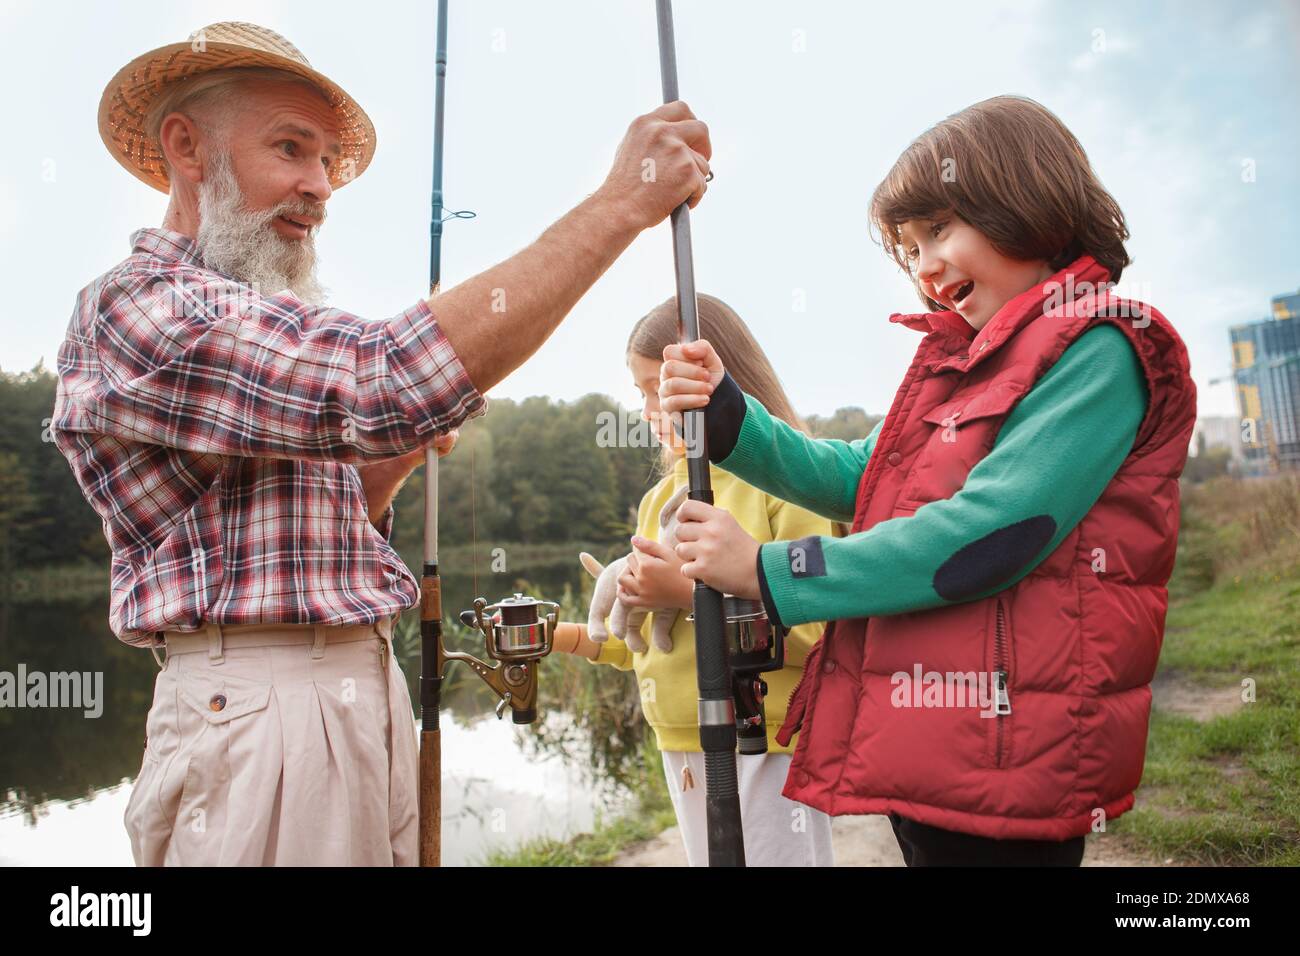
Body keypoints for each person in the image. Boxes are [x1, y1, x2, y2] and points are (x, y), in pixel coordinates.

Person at [53, 21, 711, 866]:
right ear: (186, 147)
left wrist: (395, 458)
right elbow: (386, 376)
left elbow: (325, 517)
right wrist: (622, 202)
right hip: (259, 717)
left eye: (325, 161)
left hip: (357, 698)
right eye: (290, 149)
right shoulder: (141, 307)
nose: (318, 186)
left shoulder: (267, 323)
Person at [657, 95, 1197, 866]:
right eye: (908, 249)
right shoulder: (961, 368)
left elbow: (991, 532)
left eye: (940, 230)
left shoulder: (1100, 348)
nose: (923, 266)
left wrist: (770, 570)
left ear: (1027, 199)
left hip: (1008, 758)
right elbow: (860, 475)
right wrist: (728, 417)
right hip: (936, 749)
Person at [554, 295, 836, 866]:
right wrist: (556, 637)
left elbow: (817, 637)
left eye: (660, 388)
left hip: (769, 739)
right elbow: (644, 644)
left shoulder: (785, 484)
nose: (649, 408)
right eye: (641, 393)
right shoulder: (659, 498)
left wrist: (684, 593)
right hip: (680, 741)